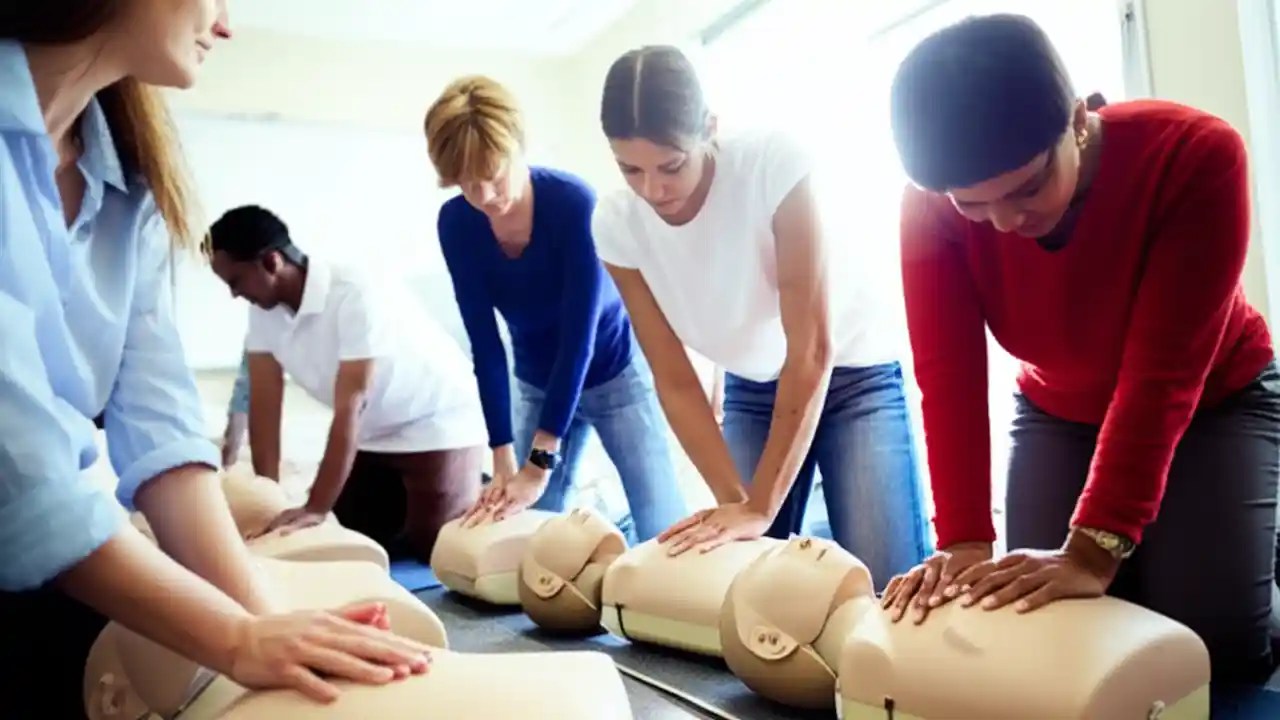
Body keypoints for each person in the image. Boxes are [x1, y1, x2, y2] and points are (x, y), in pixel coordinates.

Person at [0, 3, 431, 718]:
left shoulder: (128, 183)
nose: (226, 24)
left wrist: (265, 624)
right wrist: (235, 637)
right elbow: (23, 474)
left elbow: (164, 434)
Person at [879, 13, 1279, 692]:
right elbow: (948, 378)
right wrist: (964, 541)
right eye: (974, 203)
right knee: (1041, 616)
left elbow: (1164, 377)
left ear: (1076, 120)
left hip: (1216, 399)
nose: (1004, 221)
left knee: (1217, 648)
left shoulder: (1196, 156)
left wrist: (1097, 547)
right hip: (1059, 407)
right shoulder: (929, 207)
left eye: (1027, 188)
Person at [591, 45, 931, 586]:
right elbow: (675, 381)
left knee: (889, 584)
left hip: (852, 376)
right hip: (755, 383)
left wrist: (760, 504)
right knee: (746, 577)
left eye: (671, 165)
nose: (652, 190)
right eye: (629, 168)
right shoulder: (616, 223)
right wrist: (739, 505)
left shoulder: (773, 164)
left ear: (709, 128)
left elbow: (813, 350)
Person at [425, 75, 688, 542]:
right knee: (524, 527)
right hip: (535, 380)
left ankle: (617, 522)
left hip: (614, 372)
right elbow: (485, 345)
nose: (485, 197)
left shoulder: (573, 204)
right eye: (468, 185)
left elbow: (578, 338)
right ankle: (596, 520)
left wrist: (541, 458)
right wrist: (504, 456)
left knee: (661, 525)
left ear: (518, 149)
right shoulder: (456, 224)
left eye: (494, 175)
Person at [208, 205, 488, 563]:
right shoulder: (262, 311)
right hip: (372, 434)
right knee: (349, 540)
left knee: (433, 548)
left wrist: (315, 505)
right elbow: (265, 407)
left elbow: (352, 404)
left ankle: (475, 483)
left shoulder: (353, 292)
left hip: (437, 420)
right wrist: (270, 499)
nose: (234, 294)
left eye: (235, 281)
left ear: (272, 261)